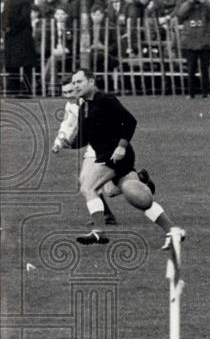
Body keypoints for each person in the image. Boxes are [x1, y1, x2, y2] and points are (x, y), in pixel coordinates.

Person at [56, 69, 184, 257]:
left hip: (115, 155)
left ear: (91, 82)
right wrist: (68, 144)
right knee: (140, 198)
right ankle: (172, 230)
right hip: (109, 156)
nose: (75, 86)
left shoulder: (105, 99)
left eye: (79, 82)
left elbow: (130, 121)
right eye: (73, 83)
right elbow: (84, 138)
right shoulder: (84, 105)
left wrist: (121, 146)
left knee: (88, 188)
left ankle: (99, 232)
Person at [52, 79, 118, 225]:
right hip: (94, 147)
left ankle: (139, 180)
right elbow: (68, 125)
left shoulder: (94, 103)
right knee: (89, 184)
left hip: (108, 146)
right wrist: (59, 142)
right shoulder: (71, 106)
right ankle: (106, 216)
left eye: (71, 91)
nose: (68, 95)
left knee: (107, 190)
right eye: (64, 93)